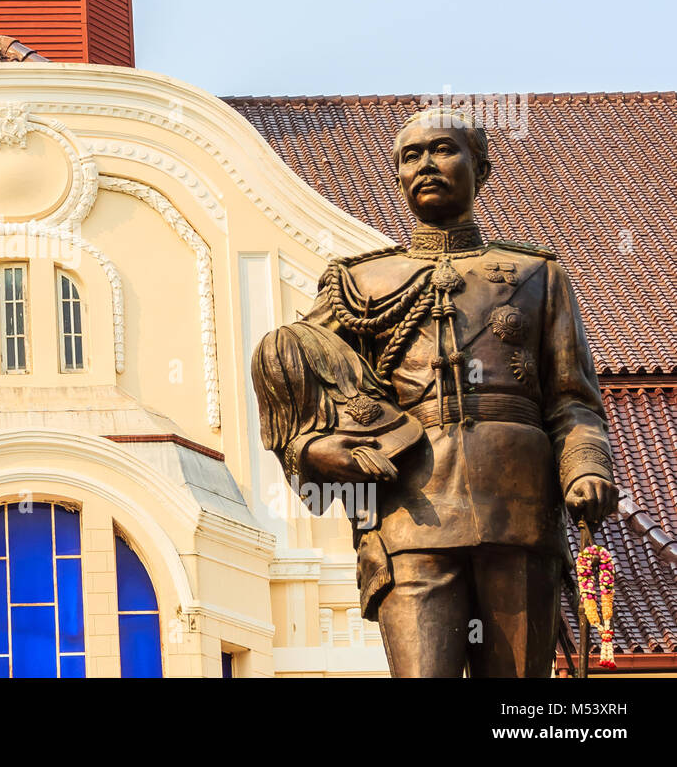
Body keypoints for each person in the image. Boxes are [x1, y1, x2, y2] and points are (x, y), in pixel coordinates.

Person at [258, 106, 618, 677]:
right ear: (398, 176)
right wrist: (313, 451)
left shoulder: (536, 275)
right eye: (410, 155)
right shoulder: (360, 284)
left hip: (518, 503)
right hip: (410, 509)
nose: (426, 164)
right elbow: (301, 379)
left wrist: (584, 468)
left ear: (480, 166)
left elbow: (573, 400)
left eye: (443, 149)